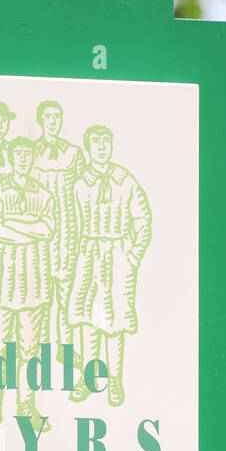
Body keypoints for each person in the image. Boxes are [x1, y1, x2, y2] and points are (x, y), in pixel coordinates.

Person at [69, 125, 152, 407]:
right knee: (88, 319)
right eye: (96, 142)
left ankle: (115, 379)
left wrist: (132, 256)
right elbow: (71, 225)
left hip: (117, 254)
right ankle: (90, 377)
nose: (101, 147)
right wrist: (70, 260)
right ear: (88, 147)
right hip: (88, 254)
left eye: (106, 141)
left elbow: (142, 219)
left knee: (115, 321)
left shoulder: (125, 181)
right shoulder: (79, 184)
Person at [0, 137, 56, 428]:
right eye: (18, 153)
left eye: (28, 153)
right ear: (12, 157)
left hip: (33, 287)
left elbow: (48, 229)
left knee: (29, 350)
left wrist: (13, 225)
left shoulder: (45, 195)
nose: (23, 158)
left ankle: (26, 407)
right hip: (2, 284)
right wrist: (30, 229)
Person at [32, 100, 84, 350]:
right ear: (40, 120)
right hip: (39, 235)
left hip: (66, 231)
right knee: (40, 296)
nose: (52, 121)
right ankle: (38, 349)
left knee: (65, 295)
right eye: (48, 117)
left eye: (56, 117)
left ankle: (66, 349)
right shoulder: (29, 152)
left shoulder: (74, 153)